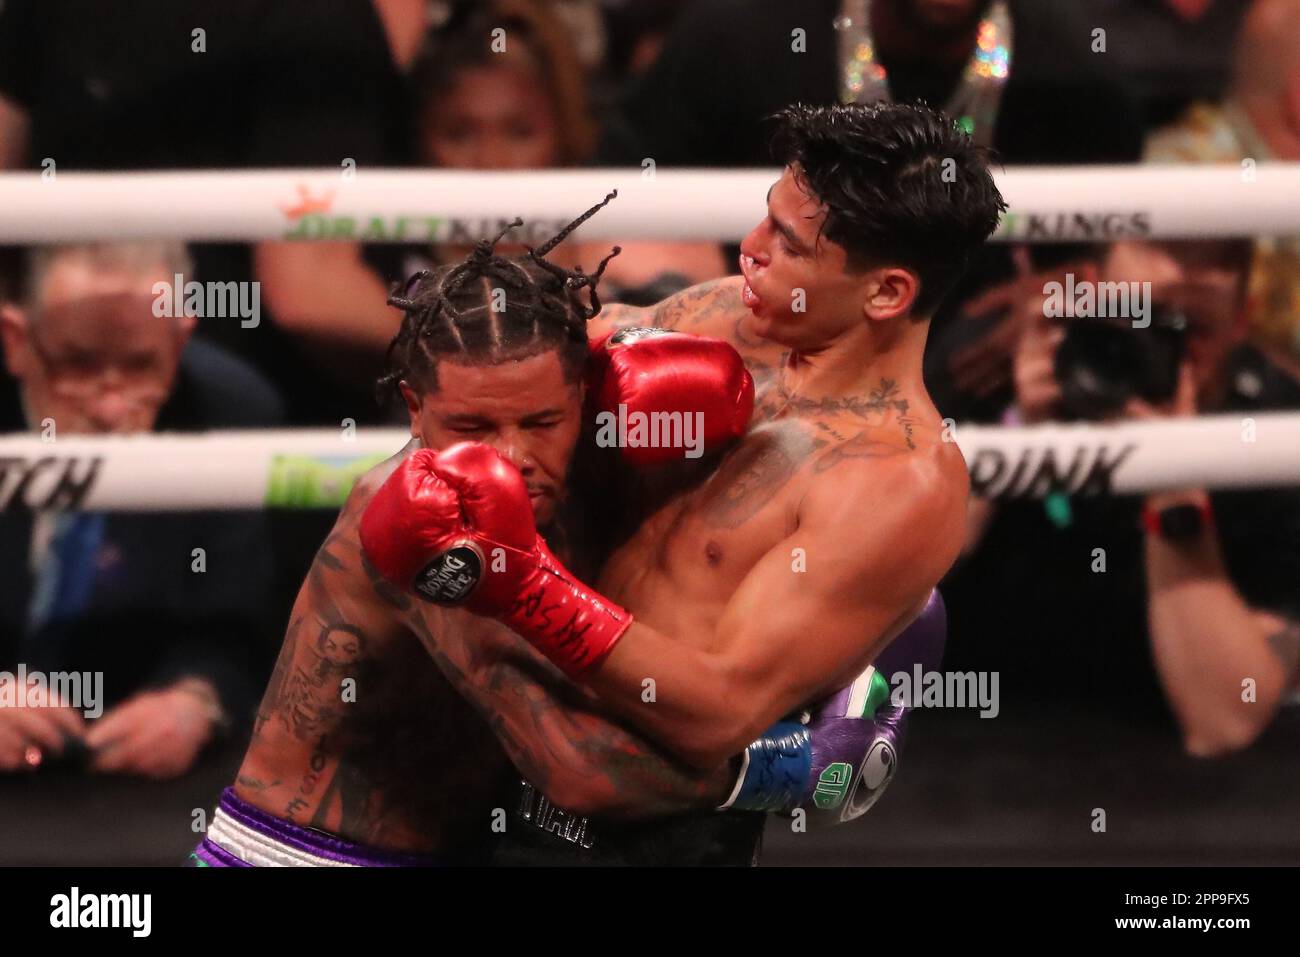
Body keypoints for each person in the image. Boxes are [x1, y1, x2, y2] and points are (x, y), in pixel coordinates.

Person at [198, 183, 944, 867]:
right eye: (470, 425)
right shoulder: (418, 523)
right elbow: (580, 767)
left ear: (587, 399)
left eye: (540, 420)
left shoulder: (607, 447)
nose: (509, 457)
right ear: (414, 409)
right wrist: (799, 763)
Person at [362, 102, 1000, 802]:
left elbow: (719, 713)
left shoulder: (896, 479)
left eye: (788, 243)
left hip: (641, 812)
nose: (750, 246)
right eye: (765, 216)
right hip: (510, 753)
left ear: (886, 291)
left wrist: (524, 584)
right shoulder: (728, 314)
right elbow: (527, 375)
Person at [943, 238, 1300, 754]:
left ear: (1240, 322)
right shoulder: (987, 368)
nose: (1156, 346)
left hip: (1168, 784)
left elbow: (1221, 721)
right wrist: (1015, 443)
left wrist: (1173, 483)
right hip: (965, 754)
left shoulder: (1272, 440)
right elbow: (870, 619)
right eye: (1136, 314)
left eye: (1188, 330)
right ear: (1091, 292)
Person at [0, 243, 282, 776]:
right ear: (16, 341)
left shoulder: (232, 414)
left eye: (139, 365)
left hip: (145, 785)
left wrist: (195, 702)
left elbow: (240, 620)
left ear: (179, 343)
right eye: (77, 363)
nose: (110, 407)